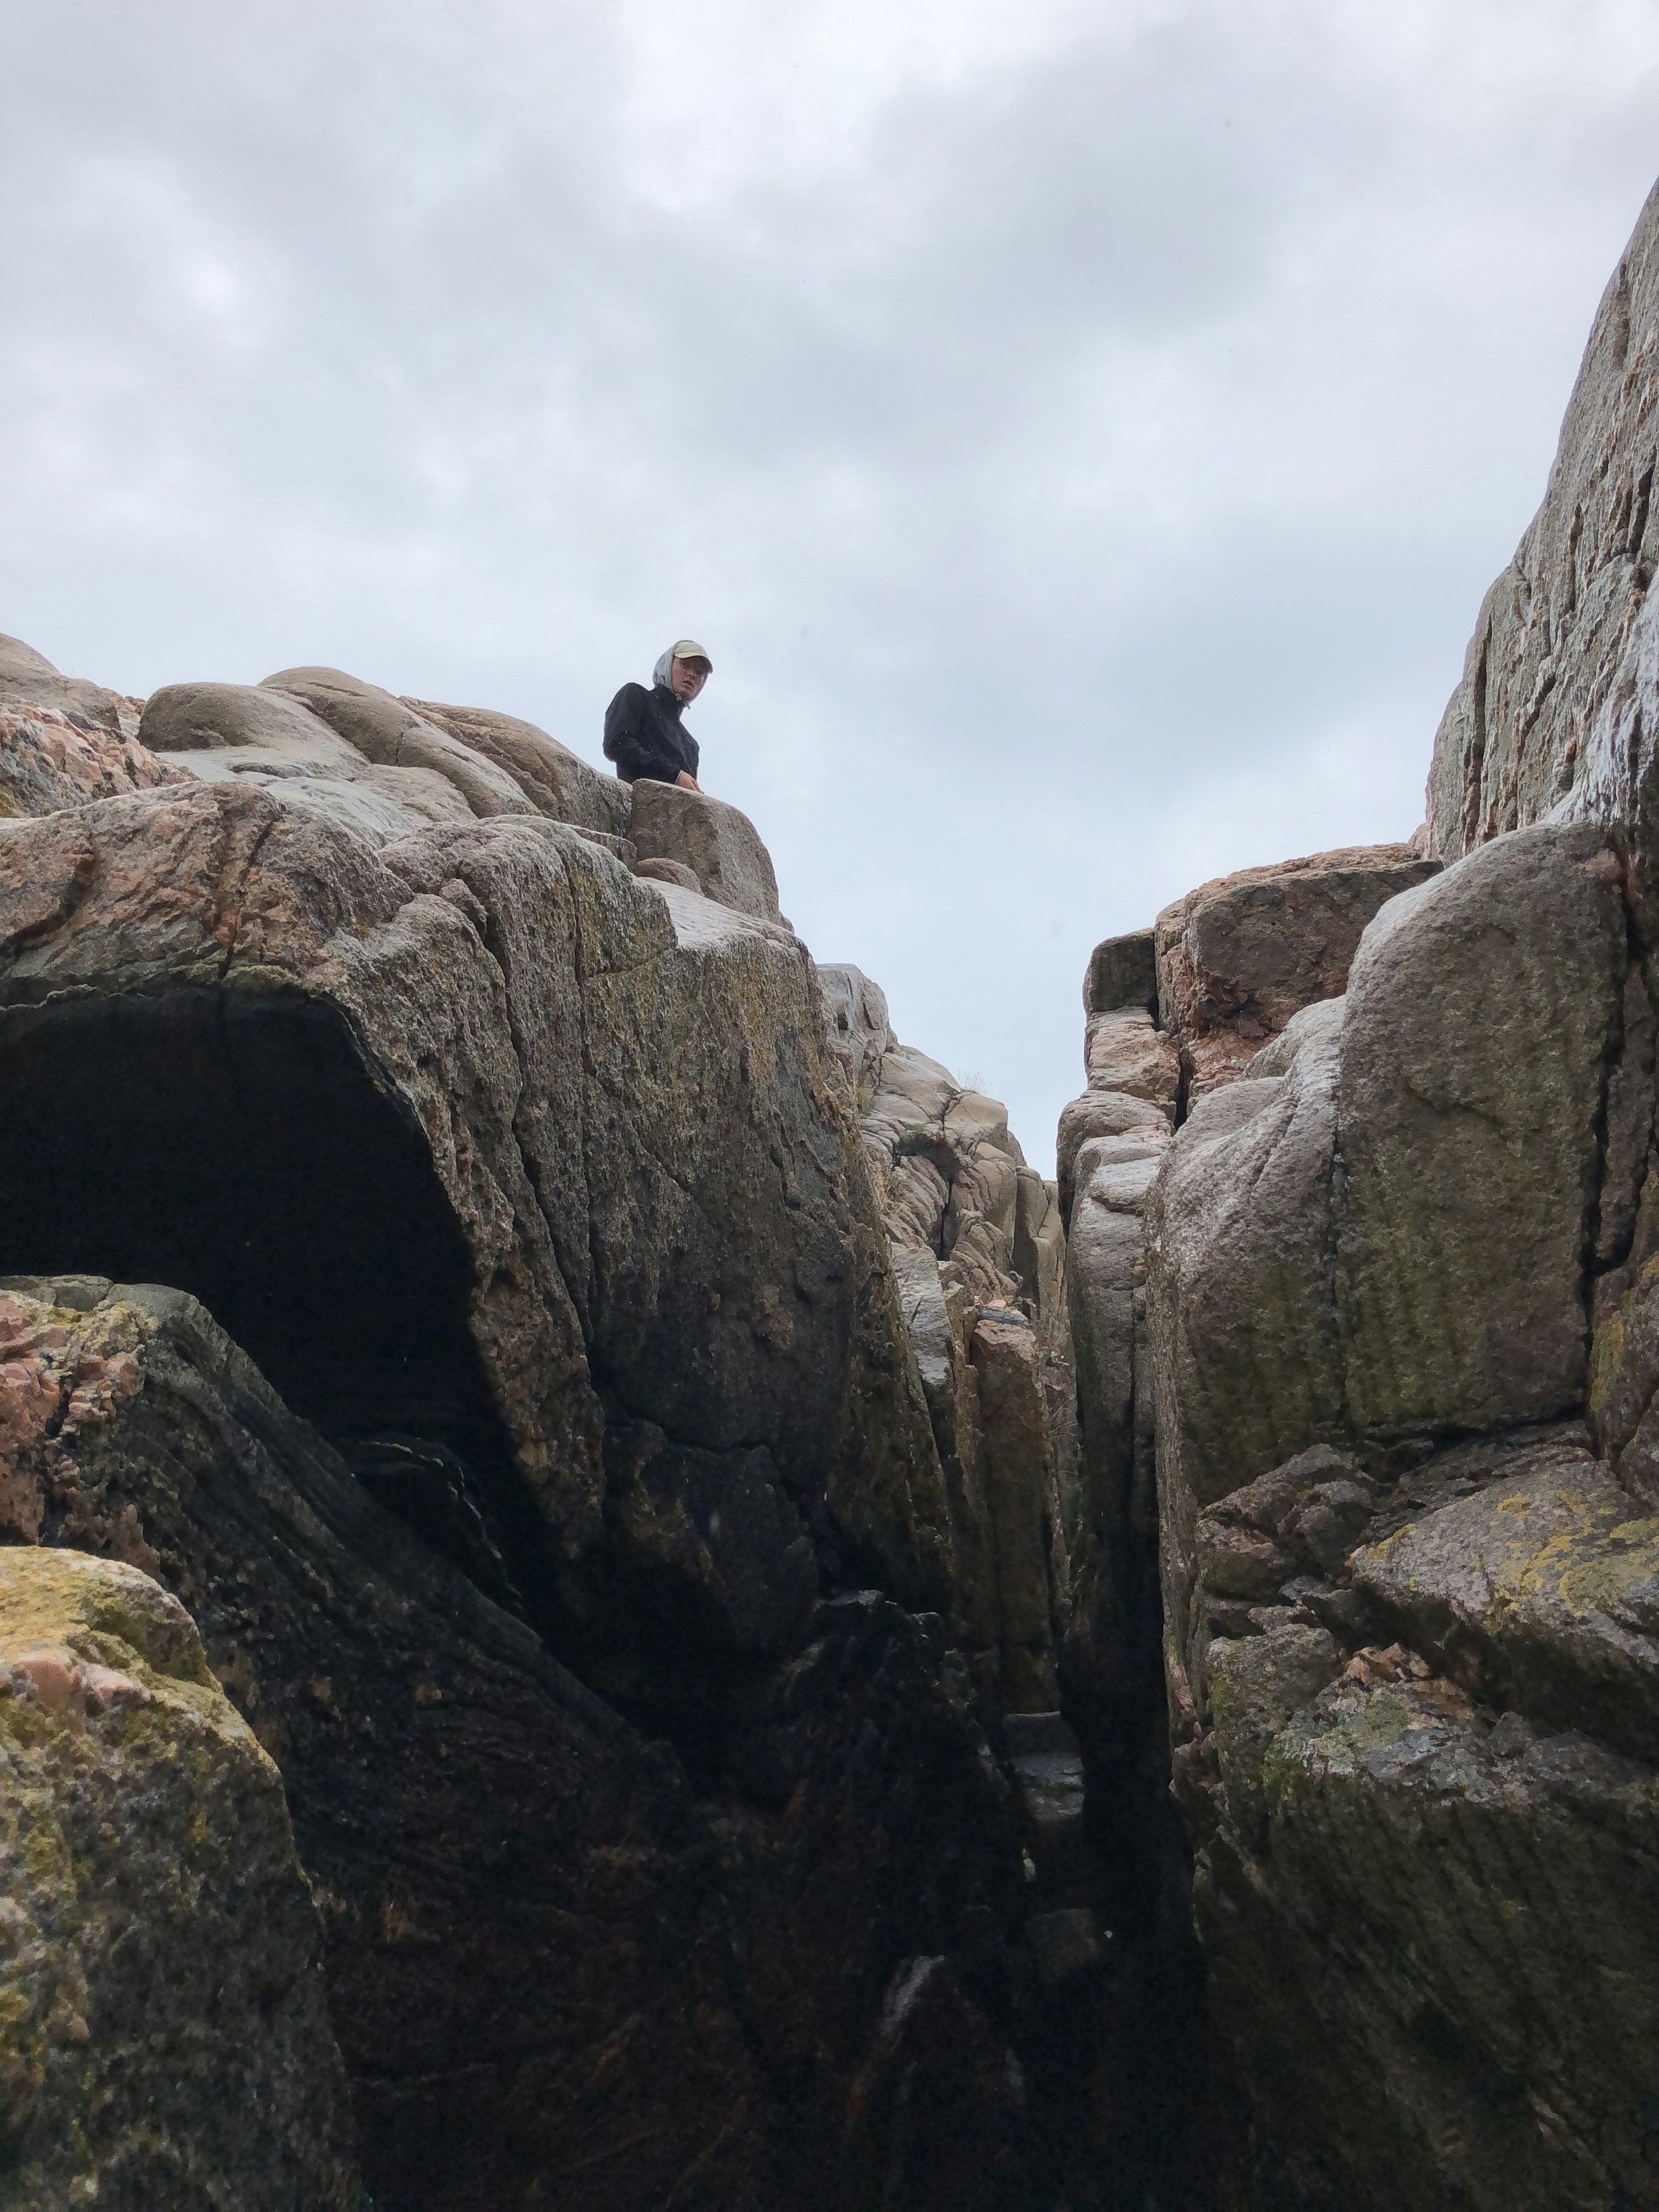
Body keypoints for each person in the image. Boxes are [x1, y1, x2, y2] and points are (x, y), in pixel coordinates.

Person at [602, 641, 712, 789]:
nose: (692, 674)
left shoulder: (690, 745)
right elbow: (617, 745)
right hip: (635, 806)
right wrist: (674, 776)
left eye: (699, 672)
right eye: (685, 665)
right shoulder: (636, 696)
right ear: (667, 664)